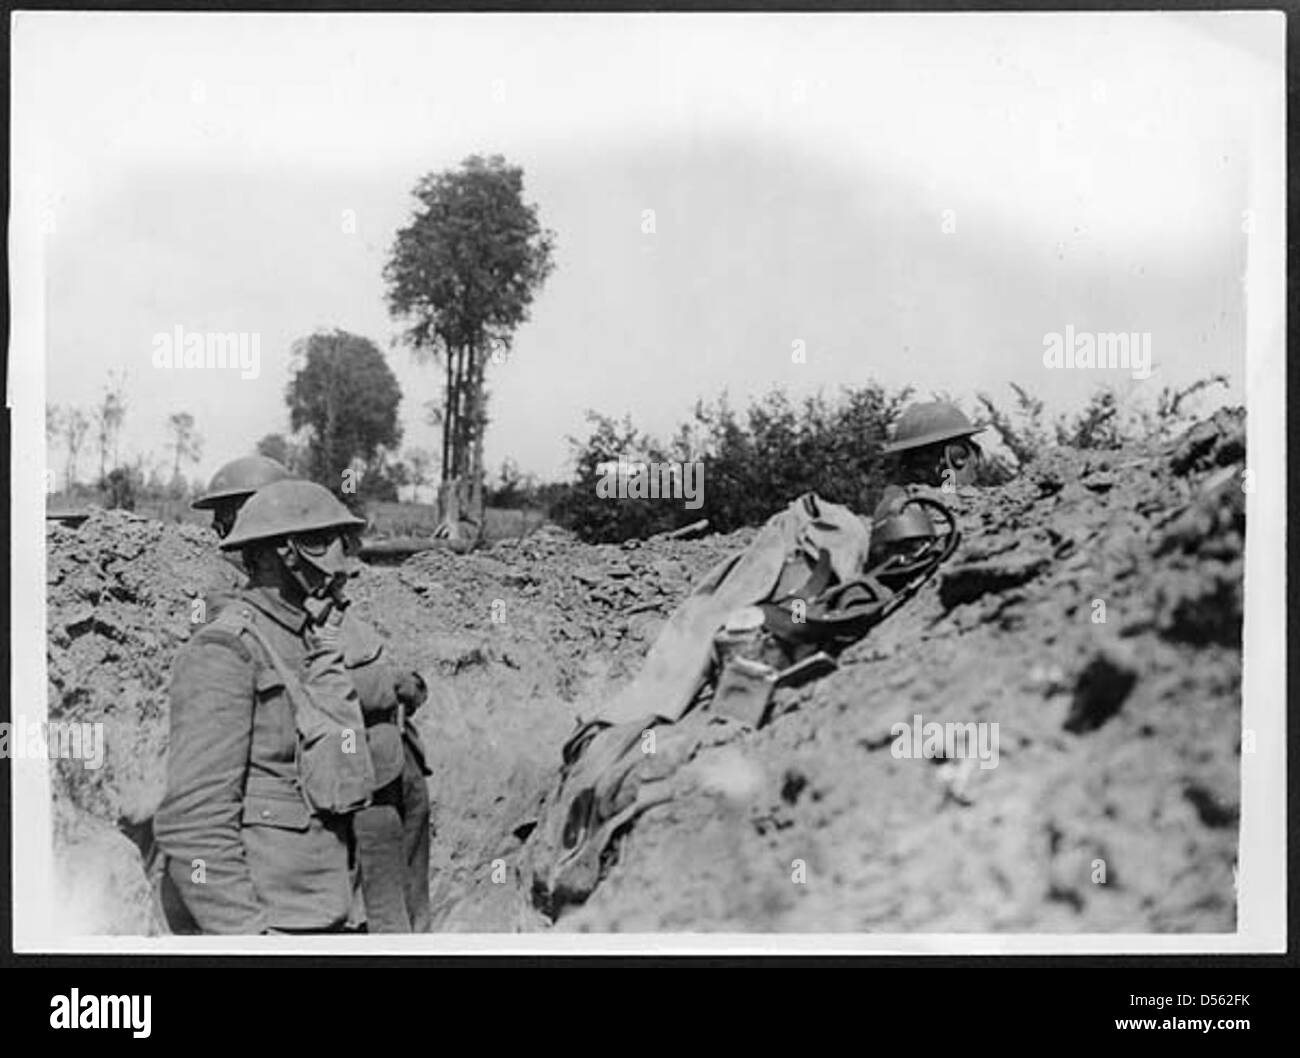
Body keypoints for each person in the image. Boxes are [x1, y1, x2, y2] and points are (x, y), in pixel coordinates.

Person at [189, 461, 434, 932]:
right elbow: (311, 679)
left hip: (391, 765)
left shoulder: (314, 586)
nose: (225, 528)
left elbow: (352, 649)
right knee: (362, 919)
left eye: (231, 513)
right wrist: (393, 682)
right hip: (332, 788)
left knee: (404, 908)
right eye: (224, 517)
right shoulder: (234, 605)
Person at [154, 479, 375, 934]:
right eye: (322, 541)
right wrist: (247, 938)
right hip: (268, 924)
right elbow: (194, 824)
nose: (341, 557)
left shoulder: (310, 639)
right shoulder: (224, 651)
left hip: (324, 913)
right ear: (284, 553)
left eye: (344, 539)